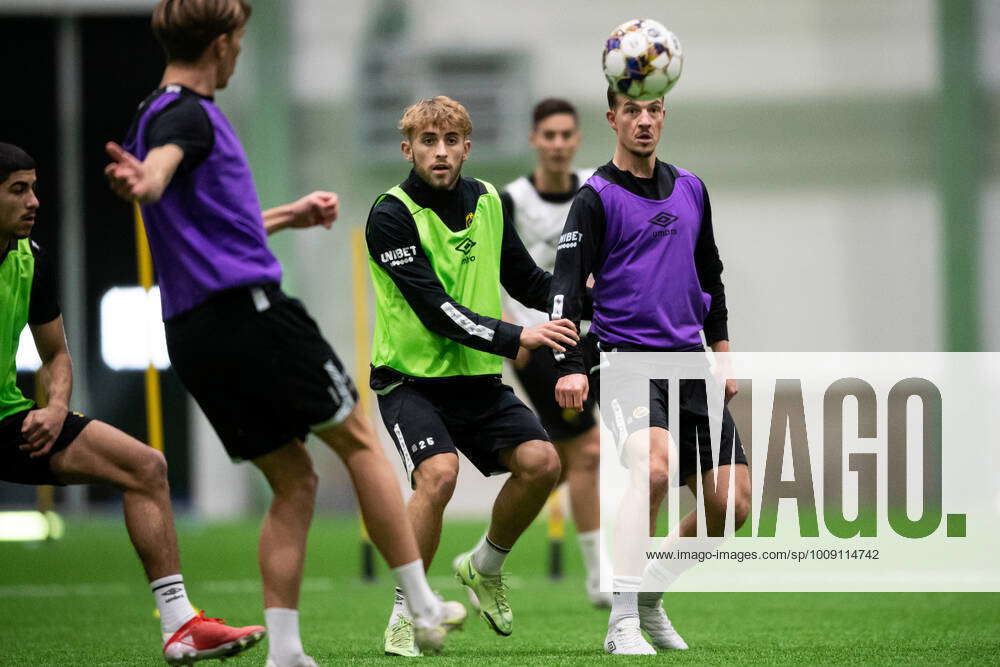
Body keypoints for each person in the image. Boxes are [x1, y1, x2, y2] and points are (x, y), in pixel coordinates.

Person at [103, 2, 462, 664]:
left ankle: (287, 651)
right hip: (252, 314)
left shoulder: (151, 110)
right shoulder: (187, 115)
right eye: (238, 40)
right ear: (220, 43)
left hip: (192, 333)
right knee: (358, 440)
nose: (240, 52)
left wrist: (287, 216)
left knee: (294, 479)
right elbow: (160, 173)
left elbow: (205, 223)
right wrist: (146, 181)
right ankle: (423, 602)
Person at [0, 142, 266, 664]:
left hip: (10, 418)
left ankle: (180, 625)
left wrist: (56, 408)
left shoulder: (32, 261)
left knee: (146, 466)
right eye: (18, 190)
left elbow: (55, 355)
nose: (33, 201)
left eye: (34, 188)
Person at [365, 96, 578, 656]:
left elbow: (527, 280)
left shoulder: (487, 200)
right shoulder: (390, 215)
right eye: (427, 142)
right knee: (439, 475)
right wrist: (517, 336)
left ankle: (484, 566)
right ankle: (408, 612)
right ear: (407, 149)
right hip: (410, 381)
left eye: (450, 141)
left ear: (467, 147)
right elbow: (437, 311)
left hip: (476, 380)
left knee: (543, 464)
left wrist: (584, 294)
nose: (440, 152)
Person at [549, 89, 751, 655]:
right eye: (632, 111)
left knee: (731, 504)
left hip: (690, 361)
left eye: (654, 109)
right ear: (612, 118)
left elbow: (710, 276)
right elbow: (566, 286)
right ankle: (621, 623)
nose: (644, 121)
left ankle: (650, 592)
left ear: (664, 115)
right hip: (624, 358)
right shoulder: (595, 197)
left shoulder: (691, 188)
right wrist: (571, 365)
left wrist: (723, 354)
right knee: (654, 469)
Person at [493, 97, 609, 608]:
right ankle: (599, 575)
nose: (558, 144)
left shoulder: (597, 189)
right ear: (534, 140)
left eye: (566, 135)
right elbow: (491, 269)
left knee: (571, 457)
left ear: (577, 139)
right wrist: (511, 335)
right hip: (540, 339)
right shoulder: (511, 200)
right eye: (549, 135)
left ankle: (486, 558)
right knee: (587, 451)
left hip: (598, 333)